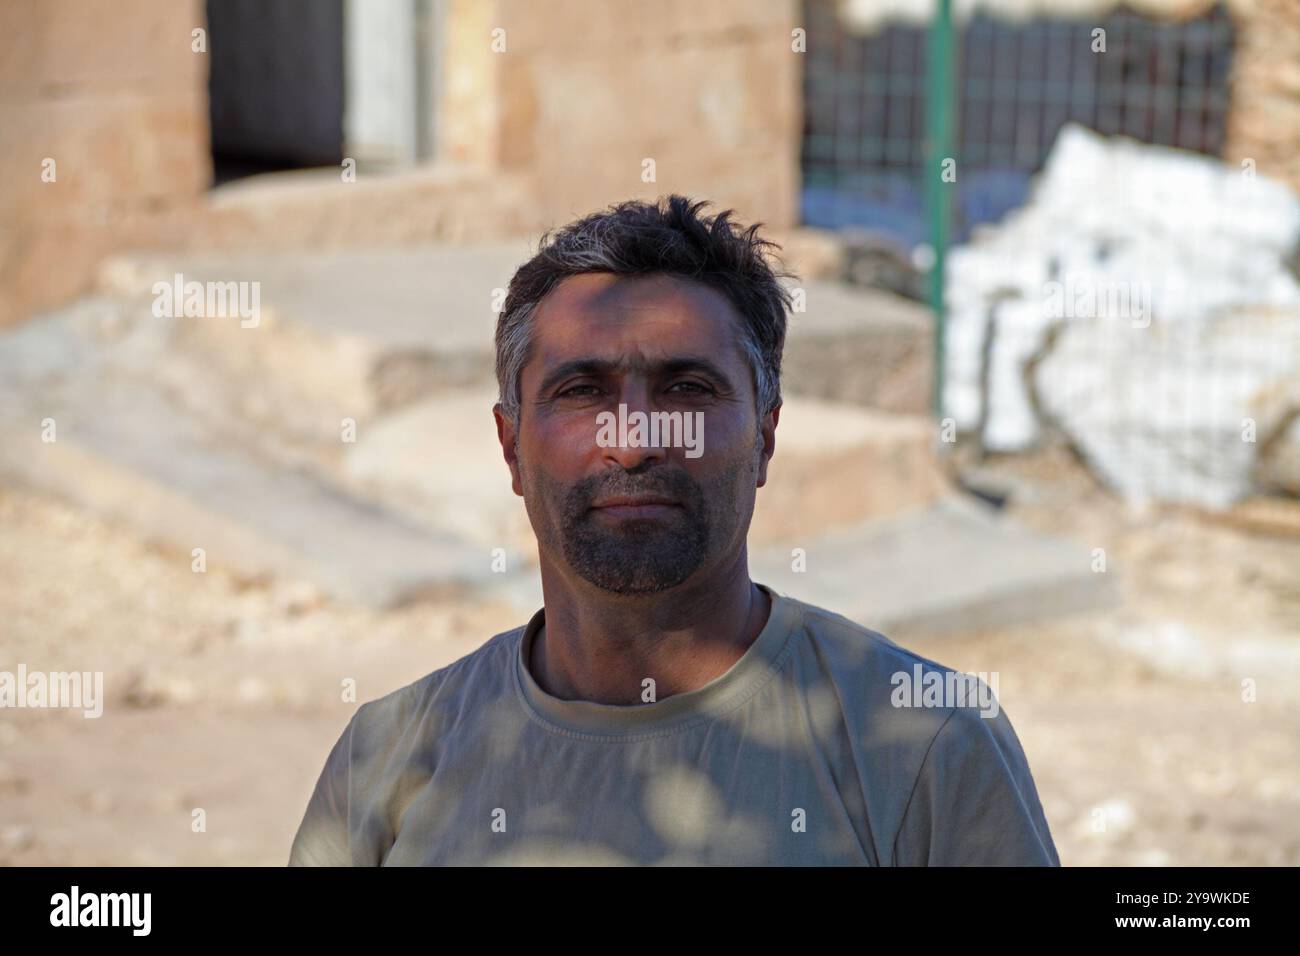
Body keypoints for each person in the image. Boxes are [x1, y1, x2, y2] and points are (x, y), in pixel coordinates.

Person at [288, 195, 1060, 866]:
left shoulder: (924, 741)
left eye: (687, 389)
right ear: (511, 448)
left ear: (764, 436)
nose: (634, 439)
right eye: (581, 391)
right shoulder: (384, 761)